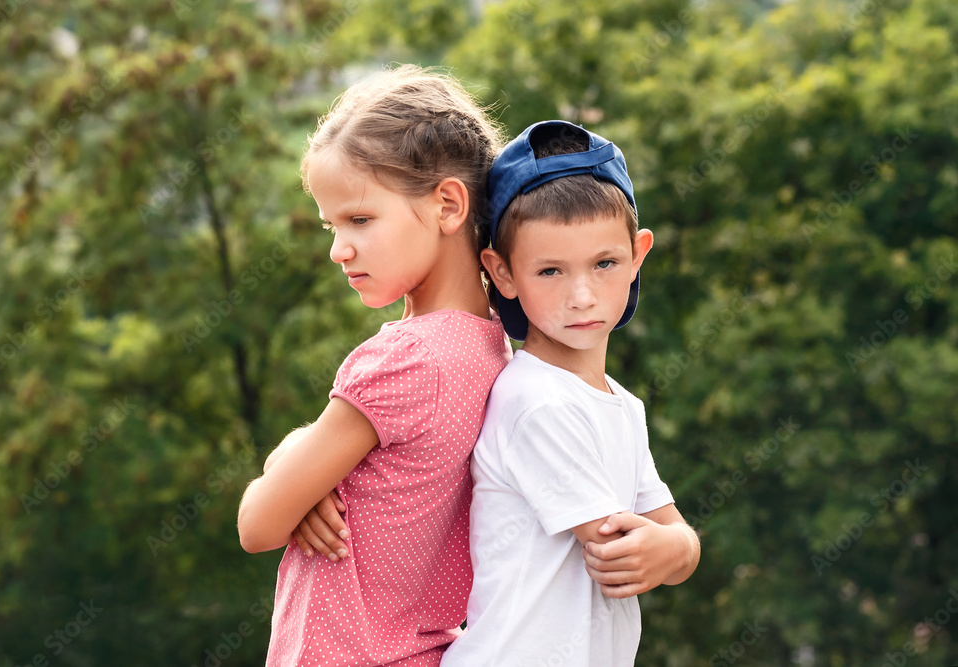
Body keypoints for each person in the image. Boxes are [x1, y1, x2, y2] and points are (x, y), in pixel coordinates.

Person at [237, 65, 513, 666]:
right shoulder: (493, 350)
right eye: (332, 225)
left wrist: (291, 464)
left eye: (359, 220)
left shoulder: (402, 358)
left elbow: (257, 523)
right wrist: (306, 478)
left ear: (447, 204)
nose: (339, 248)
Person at [440, 120, 701, 667]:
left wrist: (675, 548)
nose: (582, 296)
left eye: (604, 264)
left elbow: (668, 534)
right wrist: (671, 549)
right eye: (551, 270)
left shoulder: (621, 405)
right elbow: (616, 546)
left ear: (637, 256)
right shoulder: (537, 401)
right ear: (503, 273)